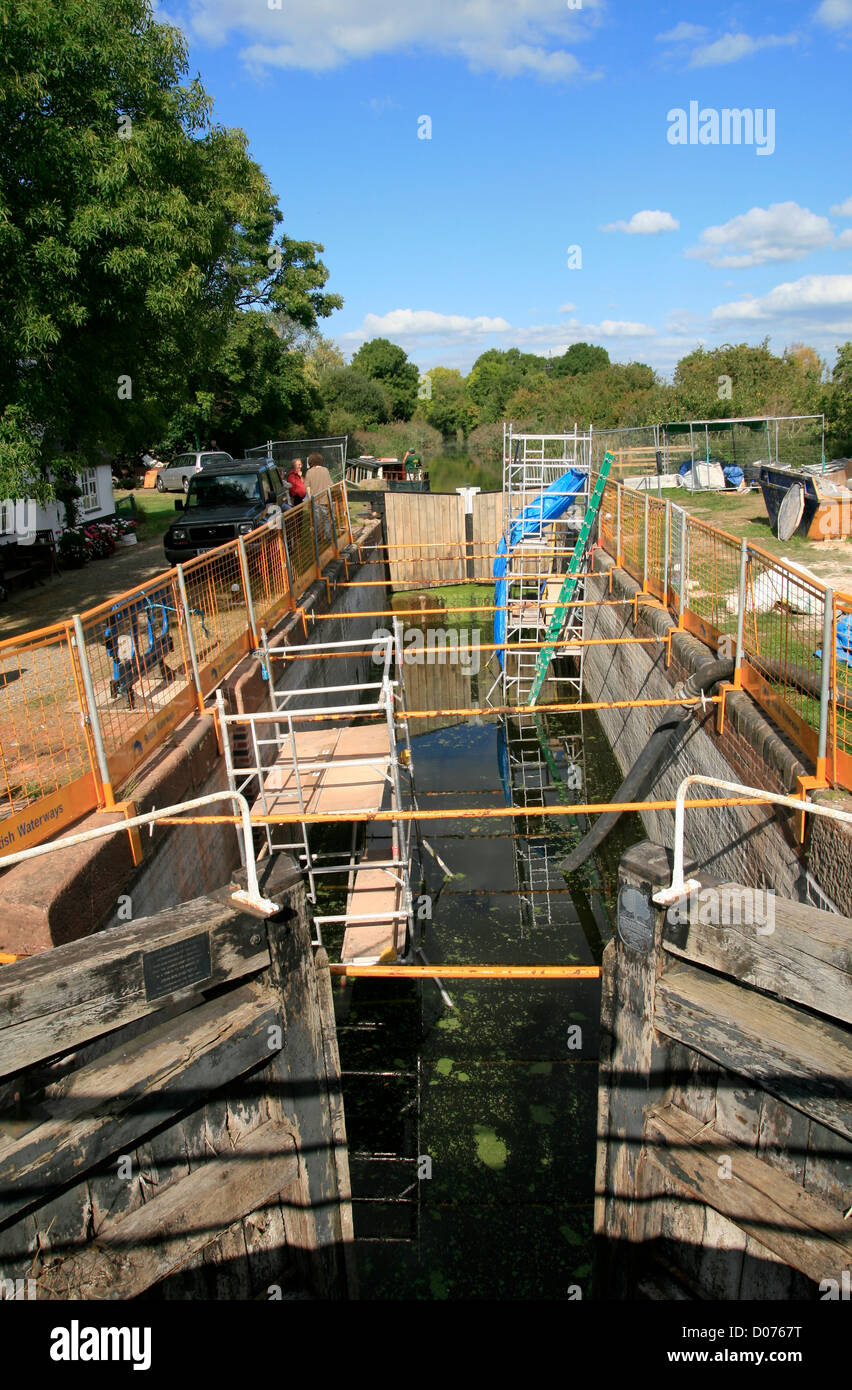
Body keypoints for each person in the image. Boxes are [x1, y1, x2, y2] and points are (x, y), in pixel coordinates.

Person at [305, 452, 334, 546]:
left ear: (310, 462)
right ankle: (328, 537)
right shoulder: (325, 470)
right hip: (325, 498)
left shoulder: (309, 472)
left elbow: (308, 487)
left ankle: (318, 538)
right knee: (326, 518)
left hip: (315, 499)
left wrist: (310, 498)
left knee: (317, 519)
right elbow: (331, 484)